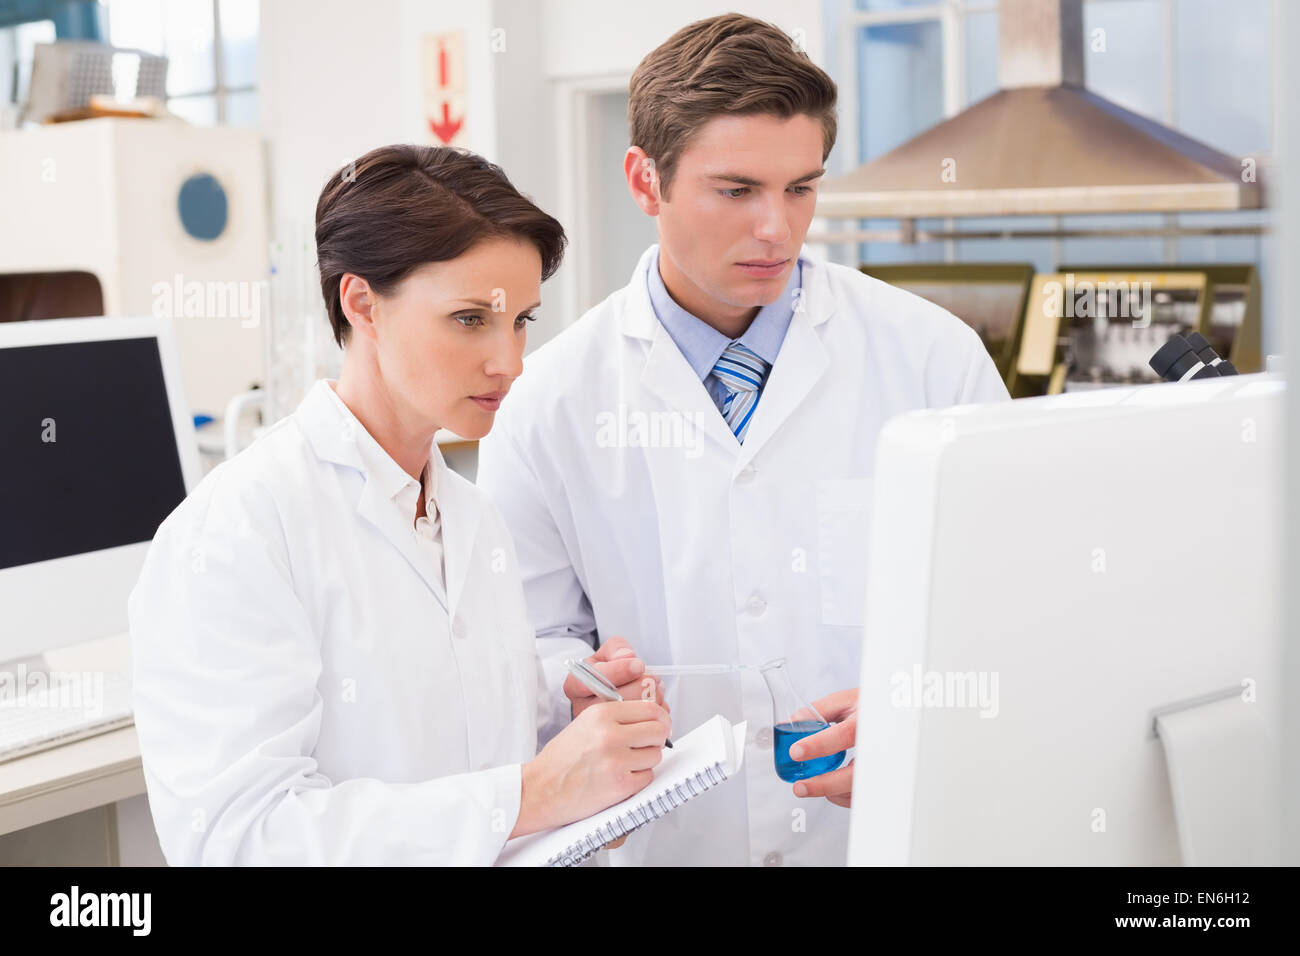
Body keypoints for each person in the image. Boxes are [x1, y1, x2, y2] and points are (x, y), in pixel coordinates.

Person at [475, 14, 1010, 866]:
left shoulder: (931, 358)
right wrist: (582, 688)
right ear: (645, 181)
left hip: (881, 839)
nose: (778, 229)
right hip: (671, 841)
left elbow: (1006, 610)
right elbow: (522, 647)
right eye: (737, 191)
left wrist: (923, 710)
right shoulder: (548, 402)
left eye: (801, 188)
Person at [127, 145, 670, 865]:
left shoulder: (473, 519)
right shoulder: (239, 528)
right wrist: (536, 791)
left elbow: (462, 761)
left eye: (521, 322)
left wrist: (570, 732)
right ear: (362, 303)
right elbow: (242, 838)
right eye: (472, 320)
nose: (509, 361)